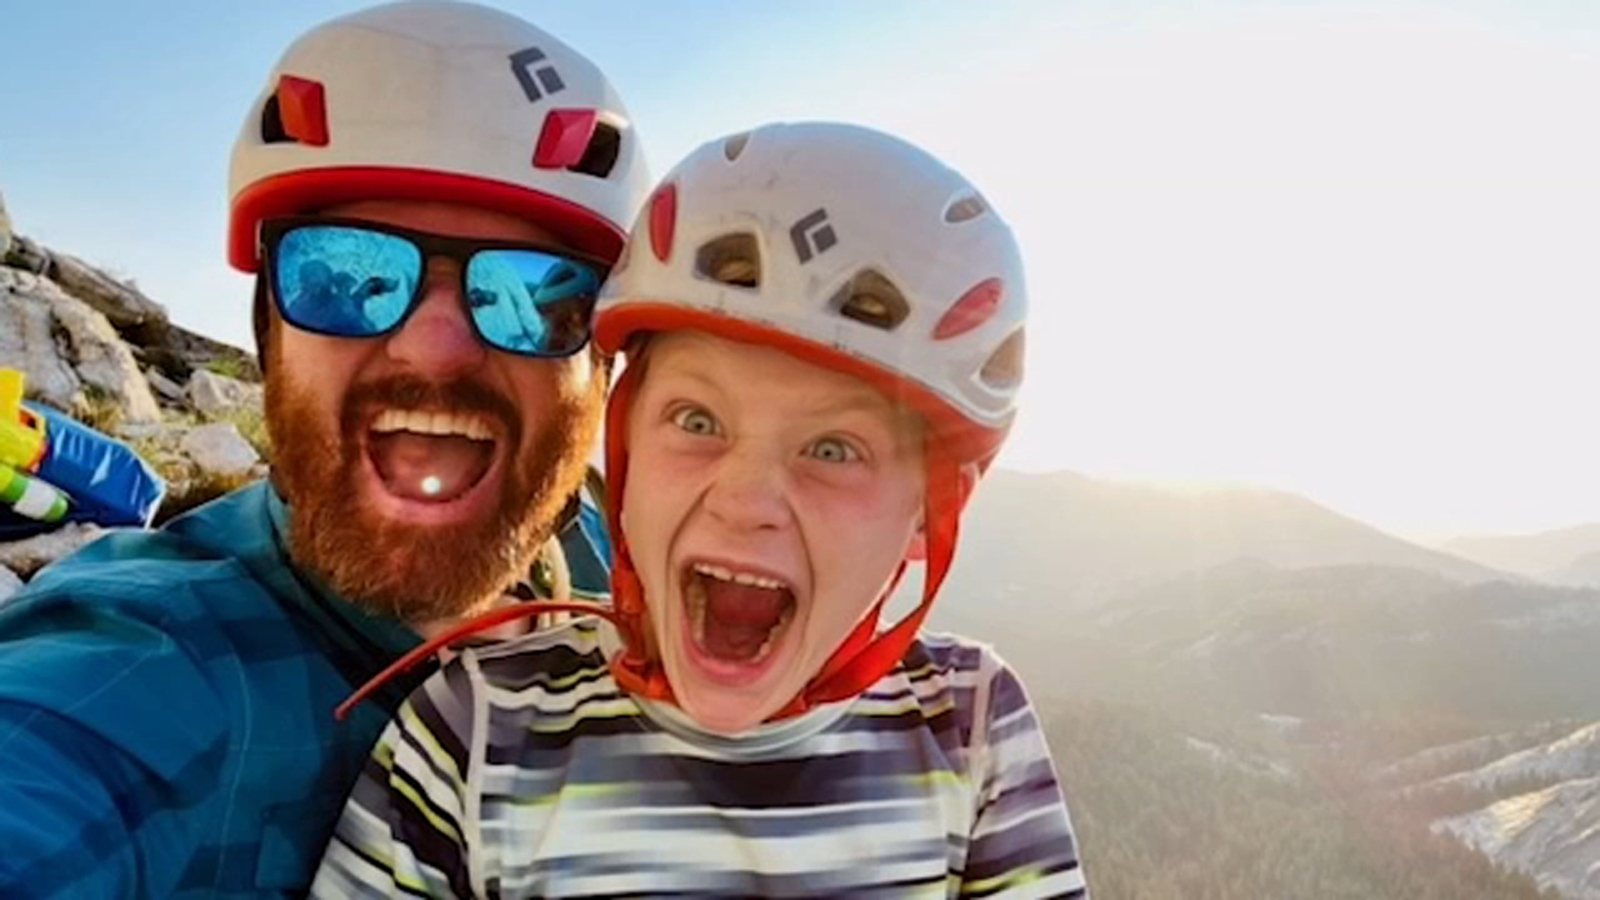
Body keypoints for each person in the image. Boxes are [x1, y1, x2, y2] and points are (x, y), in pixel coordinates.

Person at [312, 122, 1088, 898]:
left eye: (834, 449)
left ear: (927, 513)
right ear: (626, 450)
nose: (746, 501)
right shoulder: (476, 729)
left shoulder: (971, 724)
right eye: (696, 421)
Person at [0, 1, 648, 895]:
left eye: (538, 293)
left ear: (601, 369)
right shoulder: (152, 673)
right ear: (269, 331)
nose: (435, 347)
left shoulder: (615, 558)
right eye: (341, 275)